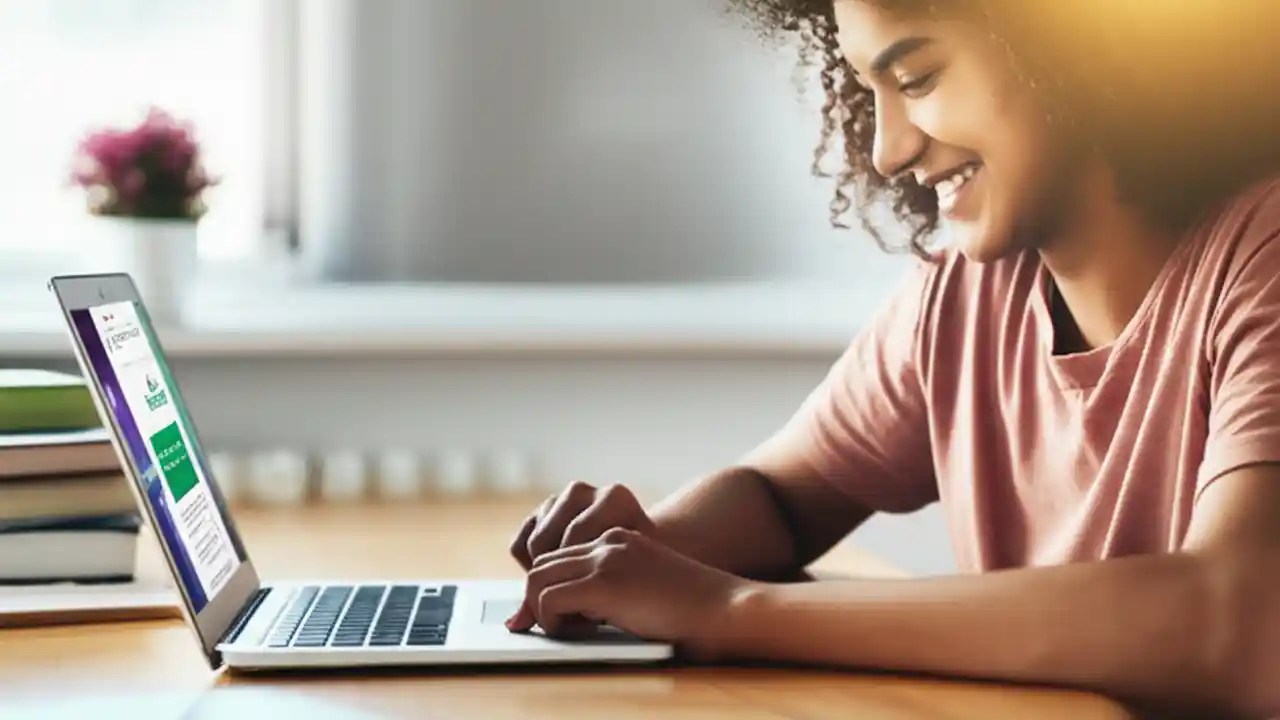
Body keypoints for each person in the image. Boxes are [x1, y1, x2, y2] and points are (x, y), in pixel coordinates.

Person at [505, 2, 1280, 716]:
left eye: (917, 77)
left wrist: (725, 611)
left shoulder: (1263, 257)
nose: (887, 148)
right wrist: (641, 552)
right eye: (866, 87)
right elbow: (779, 497)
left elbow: (1236, 624)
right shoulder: (965, 295)